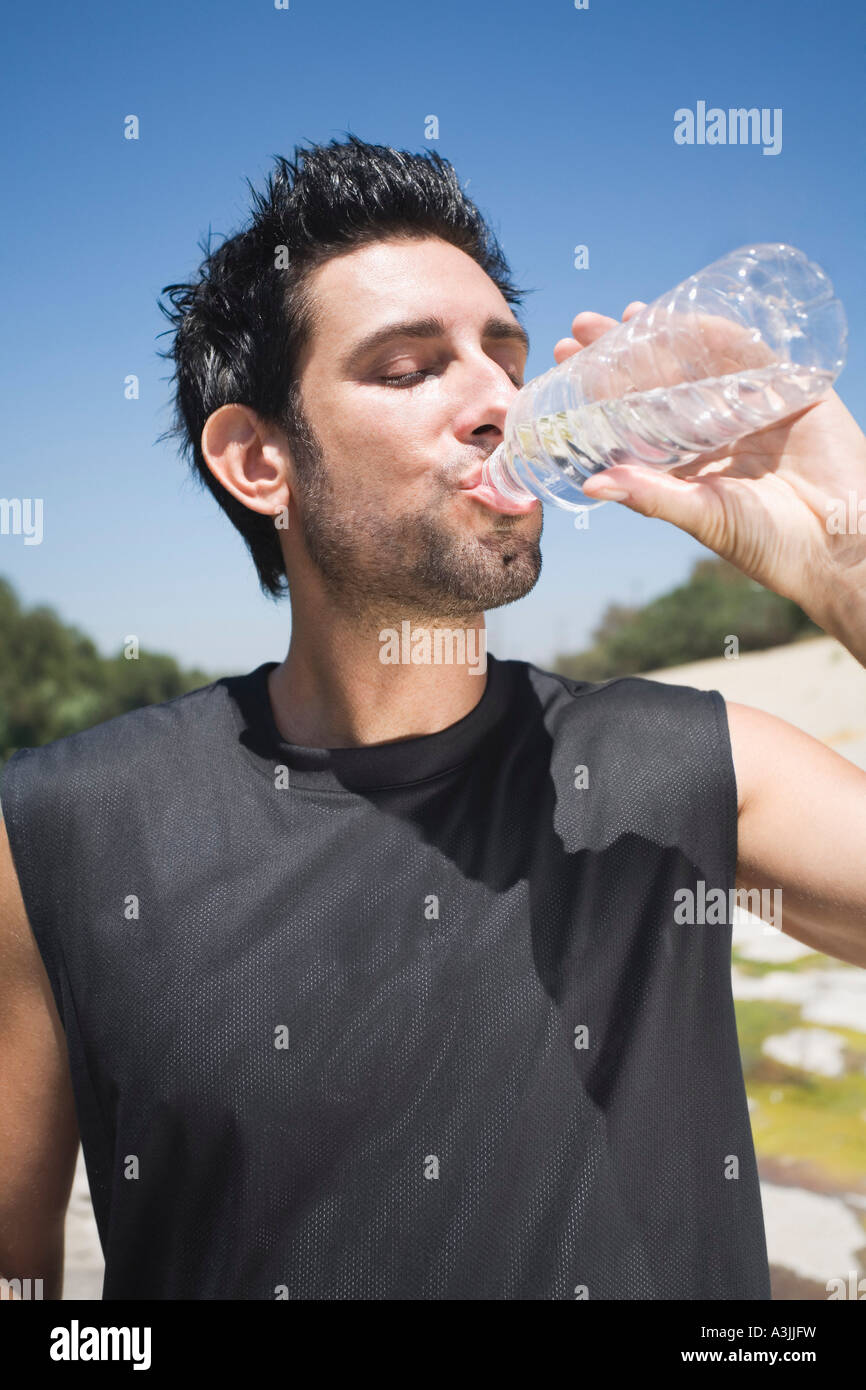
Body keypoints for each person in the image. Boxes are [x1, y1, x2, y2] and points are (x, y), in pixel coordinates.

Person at [1, 136, 864, 1302]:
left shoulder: (685, 769)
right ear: (259, 462)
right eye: (411, 369)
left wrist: (849, 563)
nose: (497, 403)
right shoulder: (65, 830)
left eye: (504, 356)